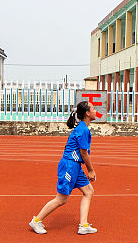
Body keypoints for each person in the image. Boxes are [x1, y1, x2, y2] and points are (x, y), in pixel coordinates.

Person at [29, 100, 97, 234]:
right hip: (69, 166)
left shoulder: (82, 128)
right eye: (93, 109)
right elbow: (84, 153)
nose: (96, 111)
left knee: (88, 191)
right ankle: (36, 221)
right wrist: (91, 170)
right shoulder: (83, 130)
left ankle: (83, 225)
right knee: (61, 199)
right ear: (87, 113)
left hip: (74, 165)